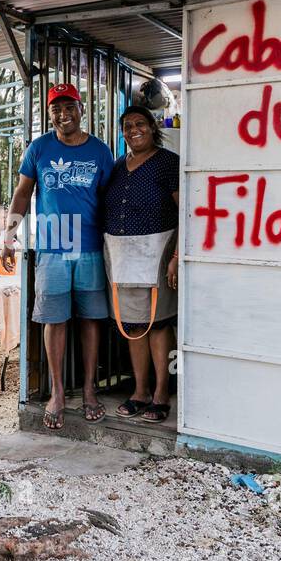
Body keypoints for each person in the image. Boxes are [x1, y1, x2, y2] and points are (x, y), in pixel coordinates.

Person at [2, 82, 114, 430]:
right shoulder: (39, 148)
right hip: (52, 249)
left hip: (91, 247)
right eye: (56, 109)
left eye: (70, 107)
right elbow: (23, 193)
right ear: (50, 113)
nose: (63, 114)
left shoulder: (100, 151)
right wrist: (9, 235)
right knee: (55, 319)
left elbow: (110, 198)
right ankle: (58, 392)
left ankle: (90, 390)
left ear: (82, 109)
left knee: (91, 319)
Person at [103, 106, 179, 423]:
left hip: (158, 252)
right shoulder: (118, 166)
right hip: (123, 255)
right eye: (127, 126)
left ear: (152, 128)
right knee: (133, 325)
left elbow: (185, 211)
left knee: (158, 323)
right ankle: (140, 391)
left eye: (139, 124)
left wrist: (176, 258)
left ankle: (161, 393)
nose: (133, 130)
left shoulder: (168, 163)